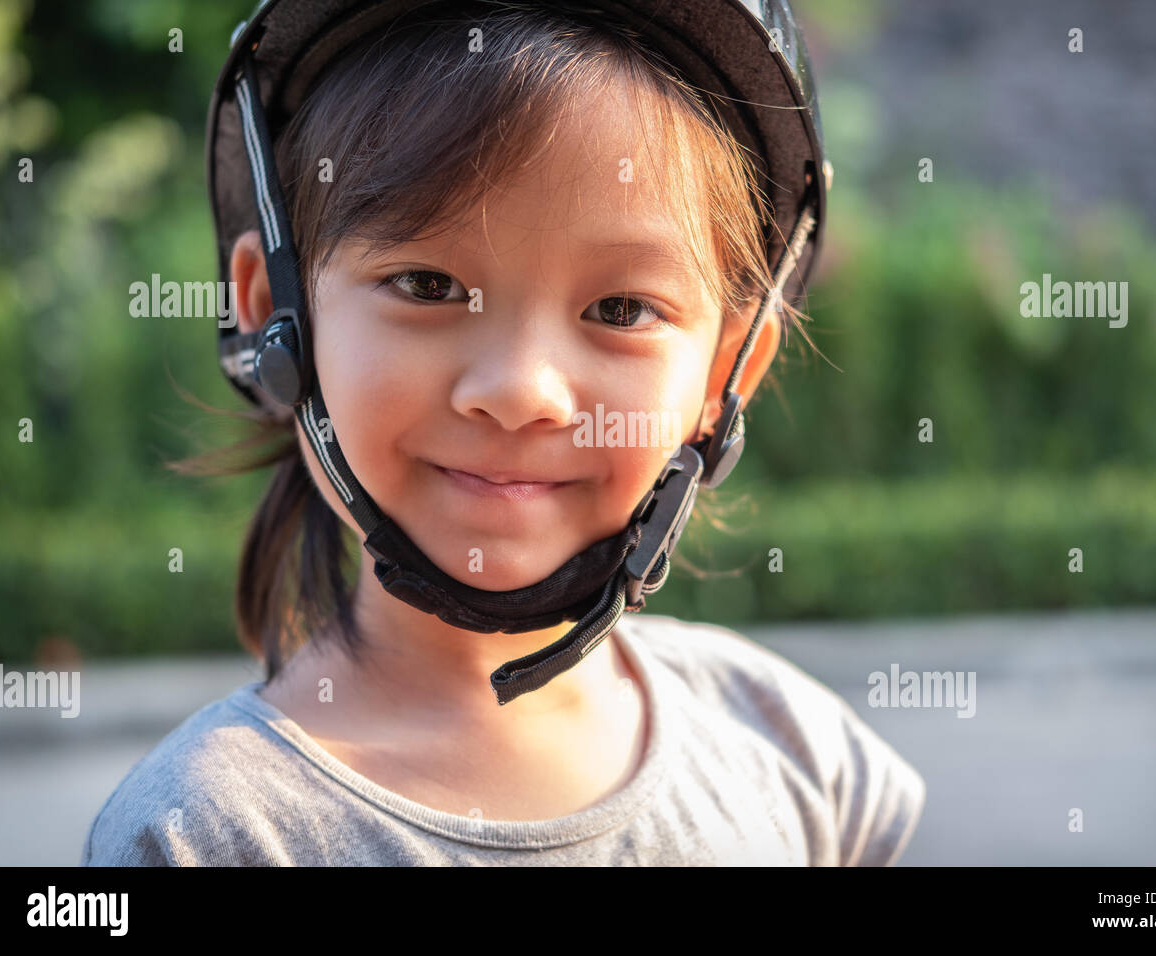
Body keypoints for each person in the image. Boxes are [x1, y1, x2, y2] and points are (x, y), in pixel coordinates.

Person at [81, 0, 925, 866]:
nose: (521, 392)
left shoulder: (799, 761)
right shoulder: (205, 835)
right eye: (427, 284)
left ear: (724, 377)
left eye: (620, 309)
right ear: (272, 315)